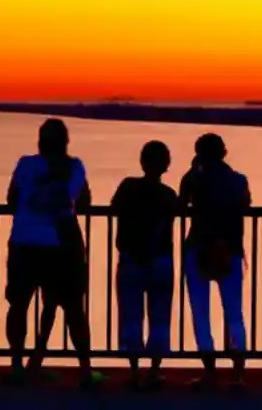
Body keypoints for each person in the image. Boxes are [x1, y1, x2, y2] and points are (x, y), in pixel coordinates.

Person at [3, 118, 97, 388]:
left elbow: (11, 198)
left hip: (25, 242)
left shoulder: (25, 164)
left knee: (19, 304)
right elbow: (85, 201)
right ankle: (85, 370)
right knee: (74, 309)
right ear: (66, 141)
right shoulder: (74, 166)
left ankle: (17, 365)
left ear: (40, 141)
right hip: (63, 245)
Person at [179, 133, 250, 391]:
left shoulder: (194, 178)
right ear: (224, 152)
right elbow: (245, 204)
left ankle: (209, 371)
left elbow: (180, 202)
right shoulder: (238, 180)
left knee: (201, 311)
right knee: (234, 311)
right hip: (229, 249)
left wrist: (192, 170)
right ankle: (238, 372)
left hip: (198, 247)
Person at [111, 140, 177, 391]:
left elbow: (115, 207)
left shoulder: (128, 186)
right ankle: (154, 371)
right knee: (159, 316)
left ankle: (135, 371)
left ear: (142, 161)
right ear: (166, 165)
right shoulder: (169, 195)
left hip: (130, 258)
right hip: (159, 259)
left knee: (131, 315)